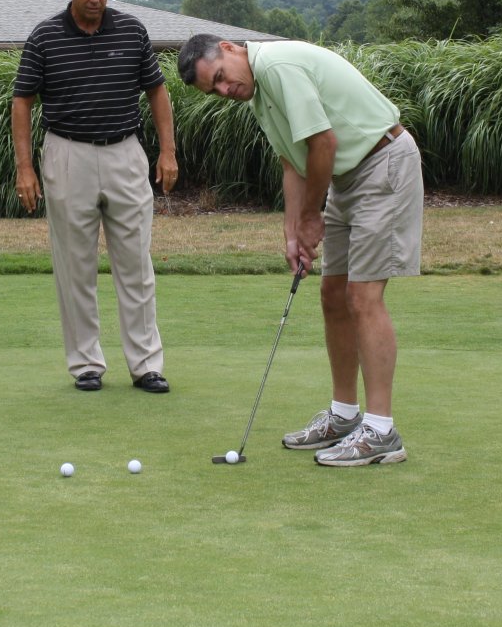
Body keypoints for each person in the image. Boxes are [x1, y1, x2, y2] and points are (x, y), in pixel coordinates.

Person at [177, 34, 421, 466]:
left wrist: (312, 218)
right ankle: (345, 415)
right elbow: (294, 162)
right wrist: (292, 231)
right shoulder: (259, 97)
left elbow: (322, 143)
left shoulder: (276, 67)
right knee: (333, 295)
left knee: (363, 297)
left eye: (220, 78)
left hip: (382, 164)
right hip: (348, 177)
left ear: (229, 48)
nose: (224, 91)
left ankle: (382, 430)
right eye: (213, 90)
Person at [12, 0, 178, 394]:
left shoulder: (131, 30)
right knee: (75, 265)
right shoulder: (45, 37)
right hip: (68, 155)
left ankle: (146, 365)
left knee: (136, 264)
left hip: (125, 153)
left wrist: (168, 152)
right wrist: (24, 167)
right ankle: (86, 364)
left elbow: (157, 92)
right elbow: (22, 101)